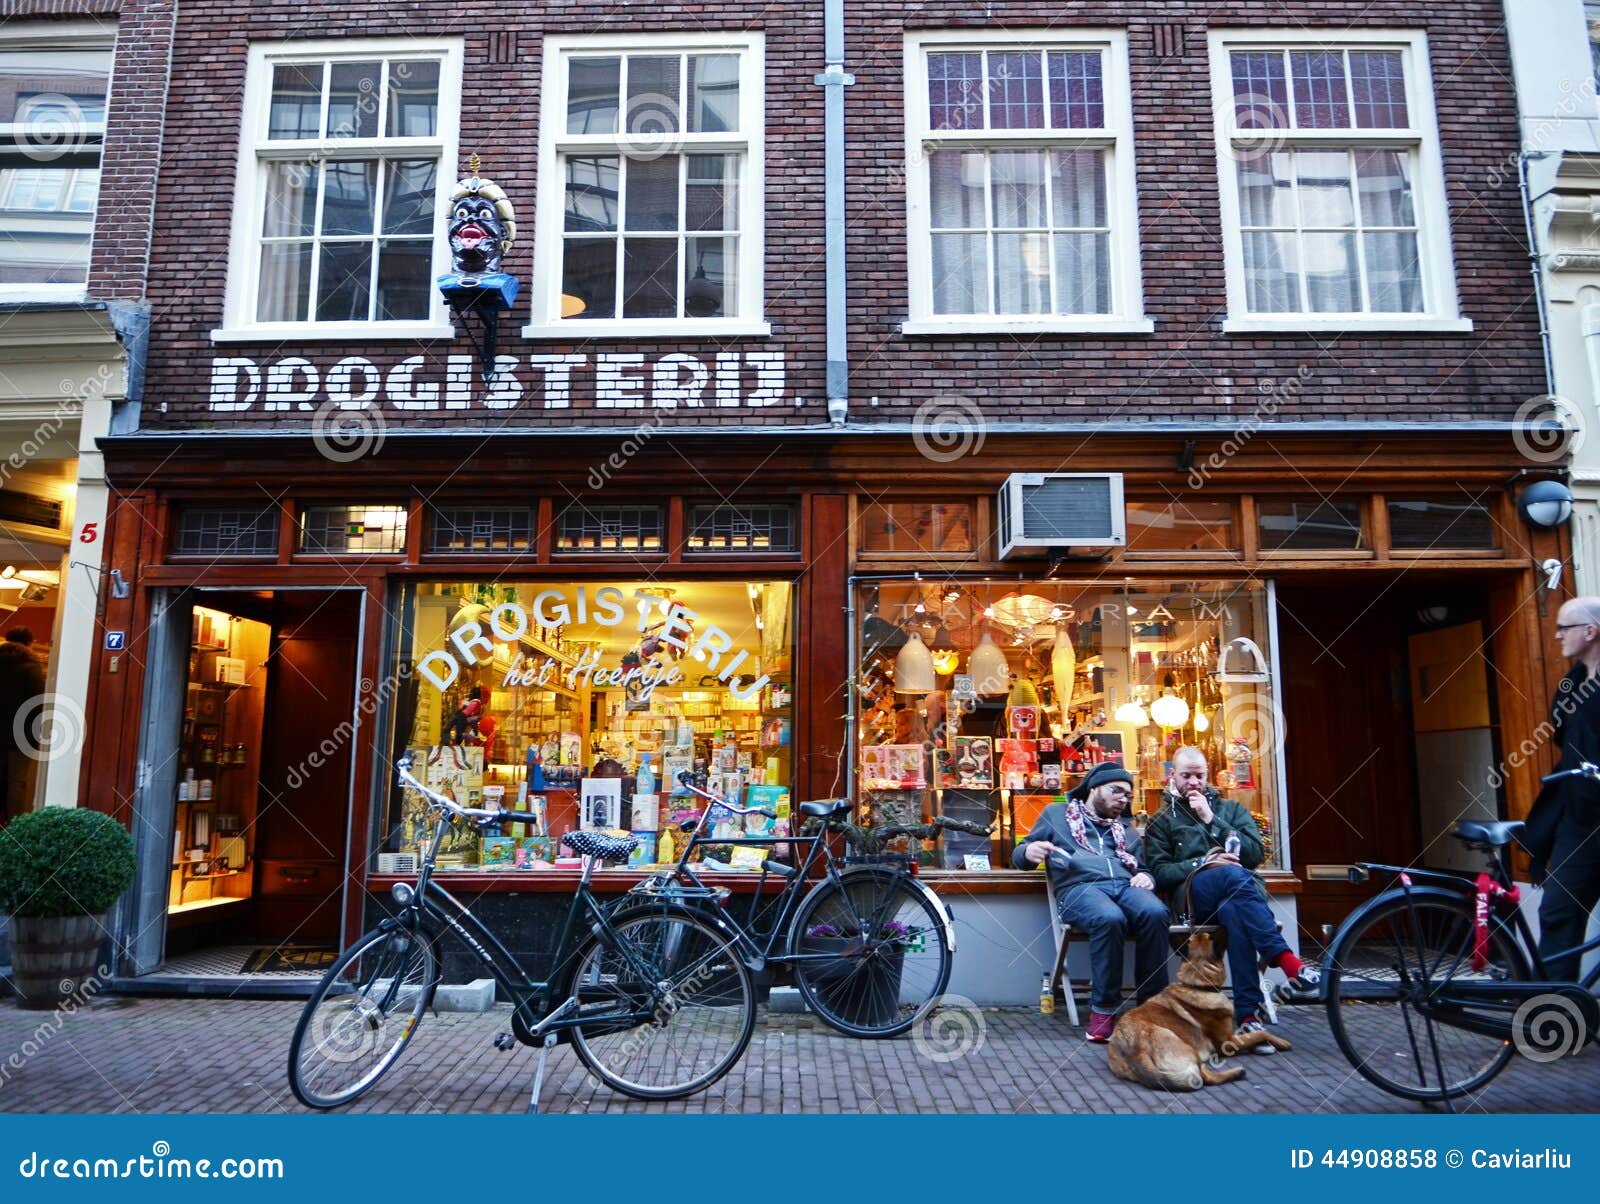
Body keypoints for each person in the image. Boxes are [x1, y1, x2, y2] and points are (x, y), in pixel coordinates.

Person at [1143, 746, 1319, 1048]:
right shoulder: (1162, 820)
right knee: (1233, 876)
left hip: (1234, 895)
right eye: (1186, 776)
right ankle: (1289, 963)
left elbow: (1254, 854)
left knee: (1235, 911)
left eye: (1199, 775)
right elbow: (1160, 872)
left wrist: (1212, 819)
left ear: (1207, 774)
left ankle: (1249, 1018)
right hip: (1192, 898)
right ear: (1173, 775)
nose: (1193, 782)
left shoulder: (1231, 810)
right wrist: (1204, 863)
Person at [1013, 762, 1169, 1043]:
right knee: (1109, 918)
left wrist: (1146, 877)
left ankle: (1151, 1008)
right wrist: (1029, 850)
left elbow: (1143, 867)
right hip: (1079, 888)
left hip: (1124, 886)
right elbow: (1019, 854)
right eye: (1117, 791)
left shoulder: (1126, 829)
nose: (1123, 799)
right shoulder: (1056, 815)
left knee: (1156, 911)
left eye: (1128, 795)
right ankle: (1104, 1011)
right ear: (1094, 787)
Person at [1522, 597, 1600, 982]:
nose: (1556, 636)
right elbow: (1564, 741)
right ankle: (1553, 1018)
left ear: (1591, 631)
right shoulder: (1571, 684)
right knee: (1558, 911)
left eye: (1564, 628)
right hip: (1581, 820)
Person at [0, 627, 46, 823]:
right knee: (16, 783)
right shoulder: (31, 666)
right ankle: (14, 829)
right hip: (21, 736)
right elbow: (37, 704)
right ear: (29, 642)